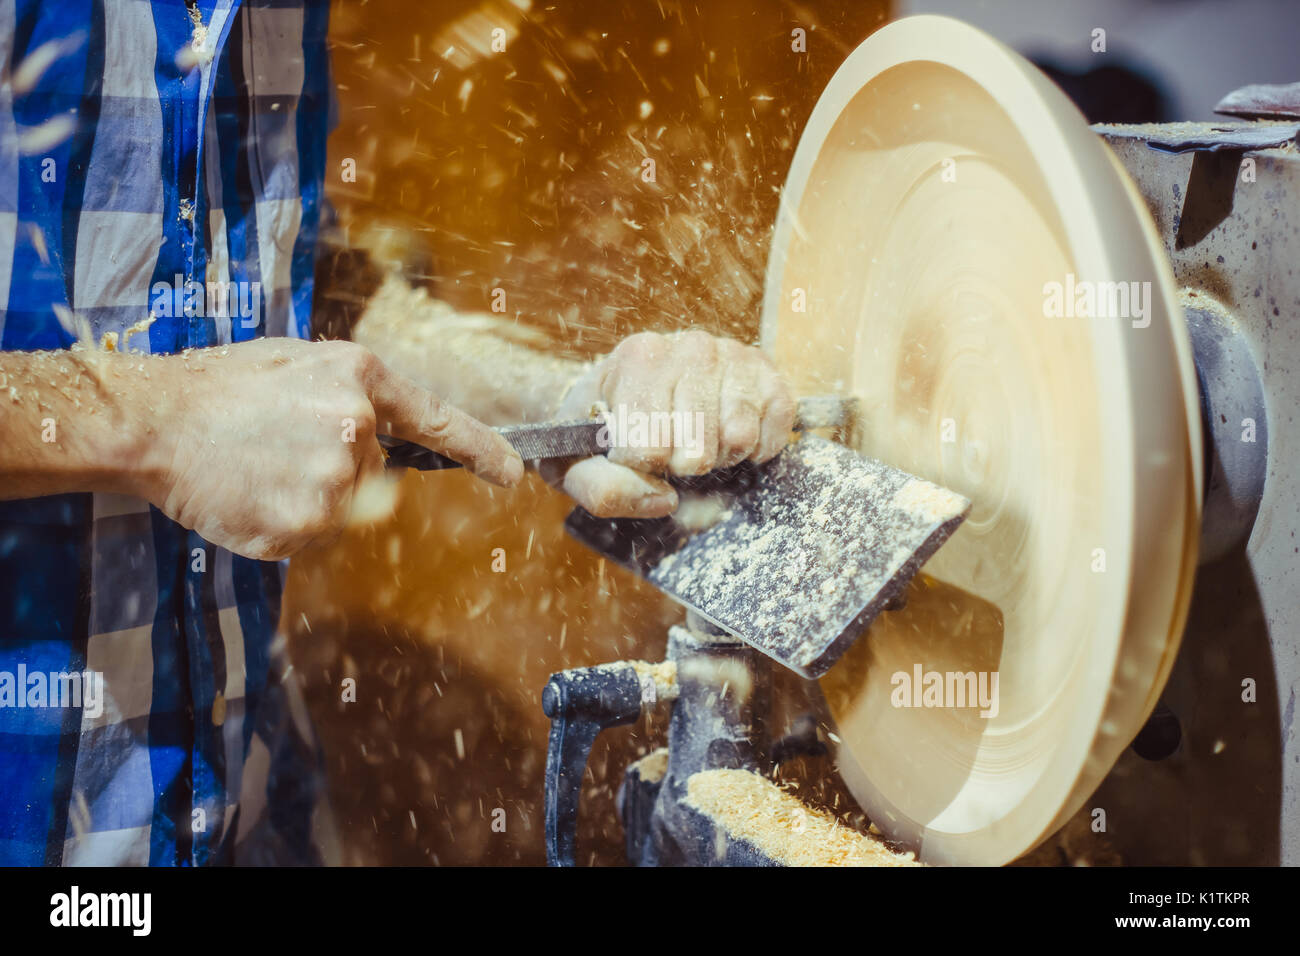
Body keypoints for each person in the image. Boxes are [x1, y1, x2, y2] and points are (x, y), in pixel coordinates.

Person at [0, 1, 793, 864]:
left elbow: (293, 286)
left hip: (247, 811)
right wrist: (156, 419)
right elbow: (196, 385)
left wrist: (561, 400)